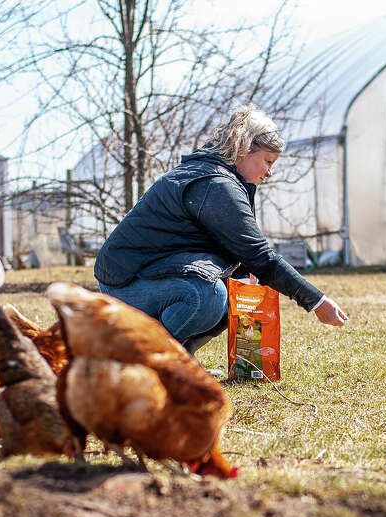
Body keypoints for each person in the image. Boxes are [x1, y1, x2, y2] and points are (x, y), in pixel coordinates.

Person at [93, 104, 349, 354]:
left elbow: (229, 244)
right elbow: (260, 256)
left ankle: (181, 359)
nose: (269, 172)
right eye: (268, 161)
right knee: (206, 296)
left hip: (148, 274)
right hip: (126, 284)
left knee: (235, 291)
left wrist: (244, 272)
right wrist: (316, 301)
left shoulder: (217, 177)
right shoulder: (214, 184)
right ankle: (146, 358)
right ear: (243, 149)